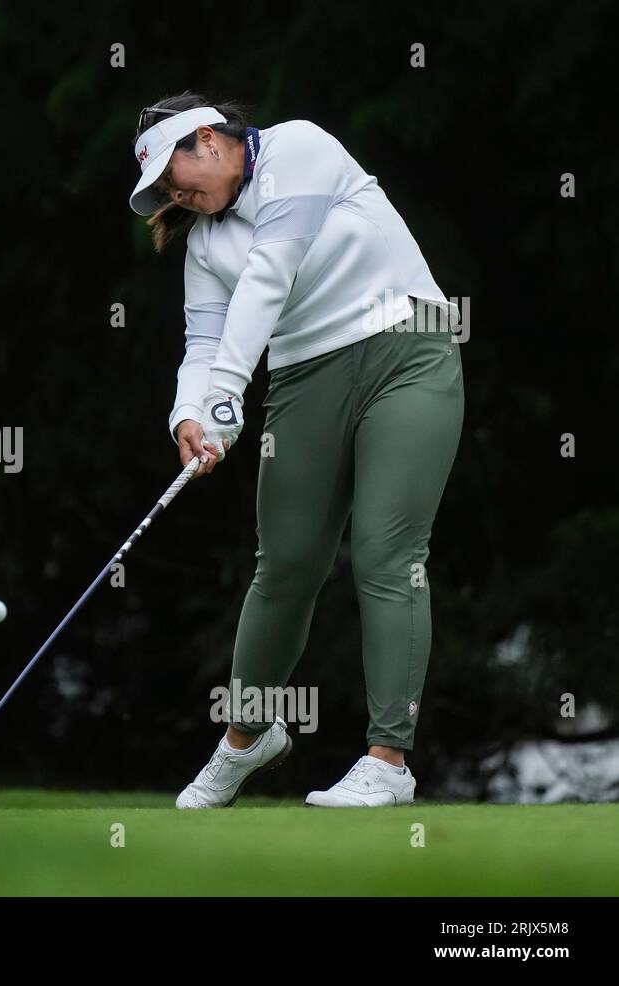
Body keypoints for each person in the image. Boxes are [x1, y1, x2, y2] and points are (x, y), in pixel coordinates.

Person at [128, 92, 464, 807]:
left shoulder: (299, 148)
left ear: (212, 139)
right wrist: (192, 413)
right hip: (304, 380)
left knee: (386, 555)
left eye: (175, 173)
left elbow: (270, 276)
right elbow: (203, 341)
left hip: (407, 350)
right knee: (284, 565)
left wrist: (227, 395)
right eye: (162, 188)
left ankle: (388, 765)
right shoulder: (204, 243)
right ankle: (247, 738)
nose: (173, 192)